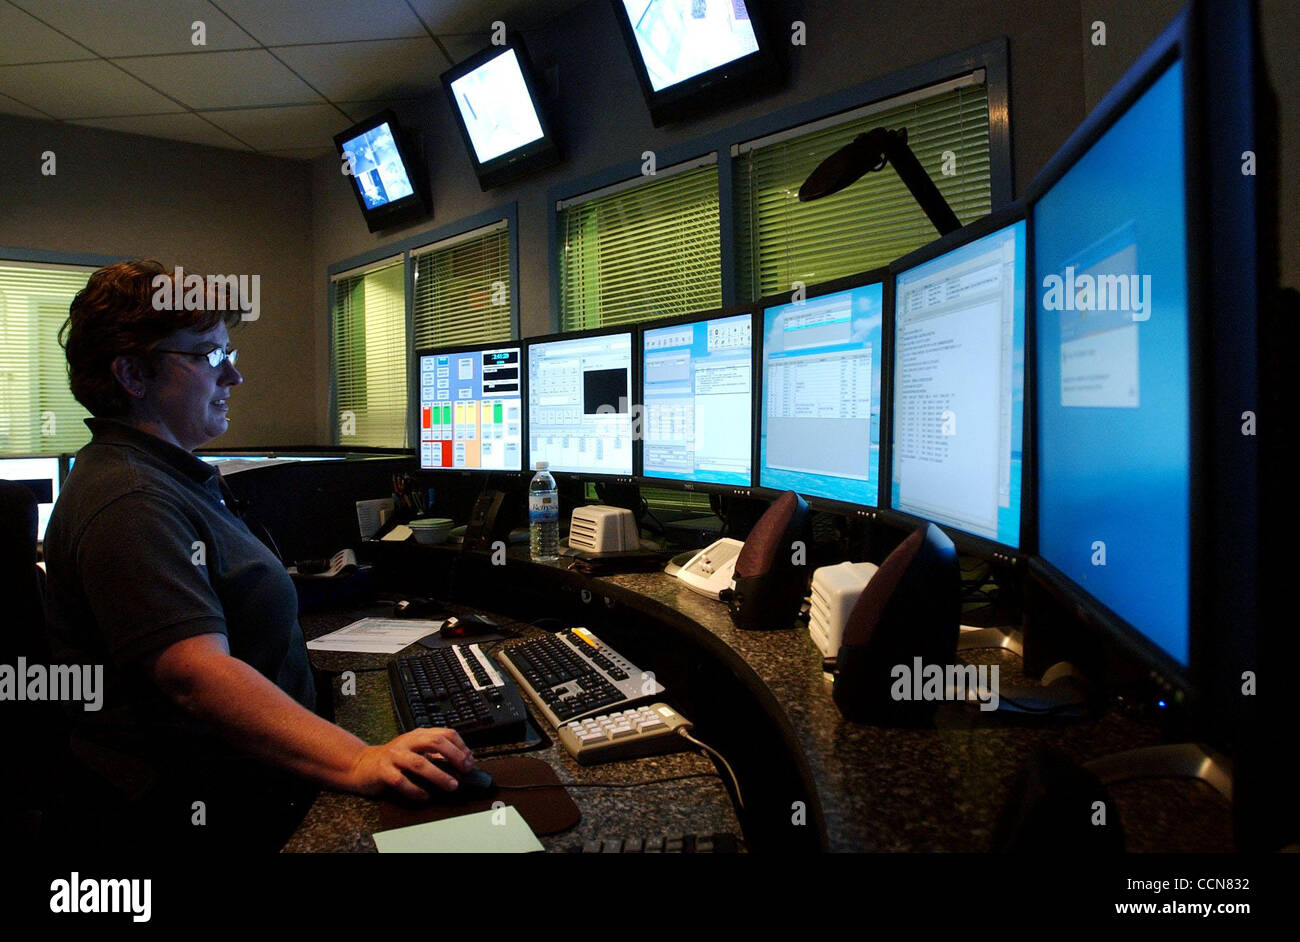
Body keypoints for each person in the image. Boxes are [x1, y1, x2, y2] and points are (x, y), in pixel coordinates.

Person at [43, 259, 472, 850]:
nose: (235, 377)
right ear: (132, 374)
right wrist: (359, 760)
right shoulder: (129, 498)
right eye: (209, 356)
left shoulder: (164, 475)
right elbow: (197, 676)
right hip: (202, 809)